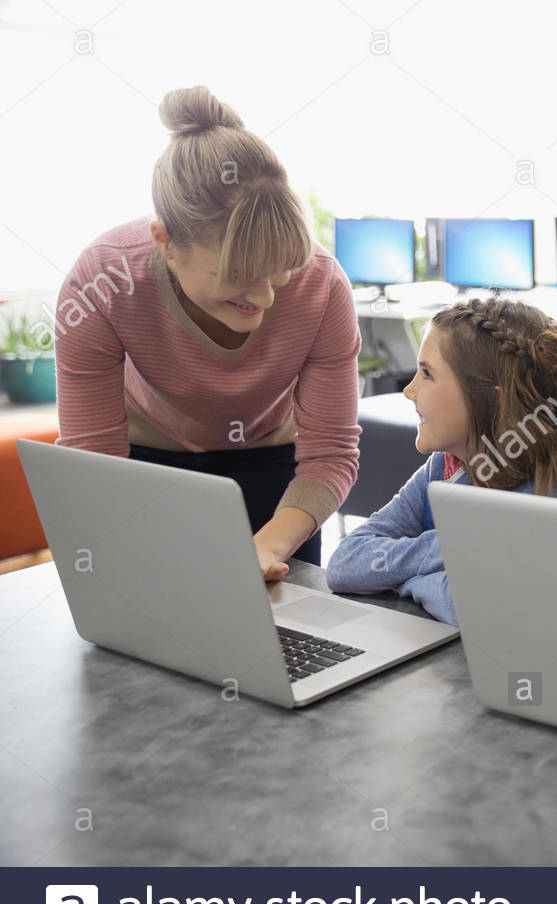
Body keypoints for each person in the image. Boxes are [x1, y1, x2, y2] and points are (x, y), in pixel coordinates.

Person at [54, 86, 359, 576]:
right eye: (237, 276)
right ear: (166, 243)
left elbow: (330, 451)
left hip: (275, 471)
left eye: (279, 271)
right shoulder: (103, 282)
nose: (264, 299)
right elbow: (94, 457)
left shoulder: (322, 286)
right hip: (142, 464)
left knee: (286, 637)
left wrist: (268, 548)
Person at [326, 298, 557, 623]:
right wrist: (455, 547)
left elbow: (468, 606)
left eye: (427, 374)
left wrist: (400, 575)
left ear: (488, 396)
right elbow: (345, 563)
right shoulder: (447, 465)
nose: (408, 391)